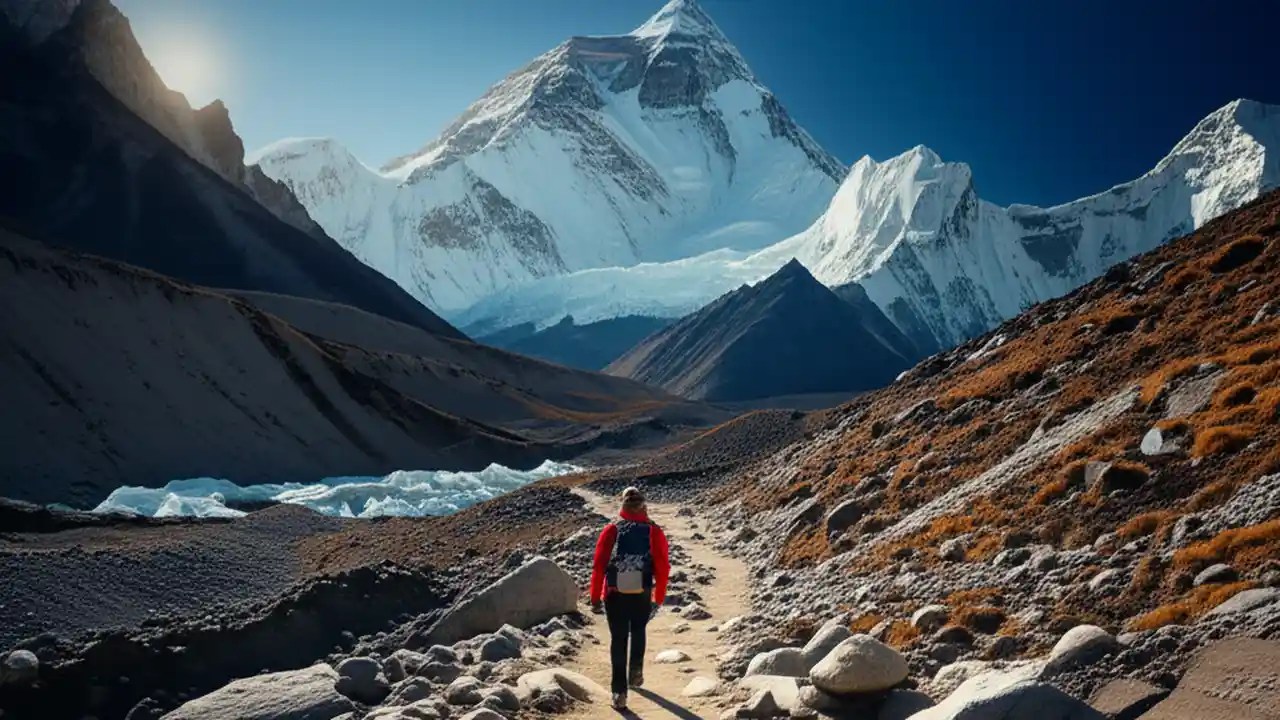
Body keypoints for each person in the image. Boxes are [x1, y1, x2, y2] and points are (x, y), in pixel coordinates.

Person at [589, 486, 670, 711]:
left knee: (619, 639)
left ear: (622, 506)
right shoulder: (654, 531)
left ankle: (619, 693)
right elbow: (663, 566)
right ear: (644, 507)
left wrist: (594, 597)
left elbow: (599, 566)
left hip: (615, 594)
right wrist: (659, 596)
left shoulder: (612, 530)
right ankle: (635, 674)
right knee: (639, 630)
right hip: (642, 592)